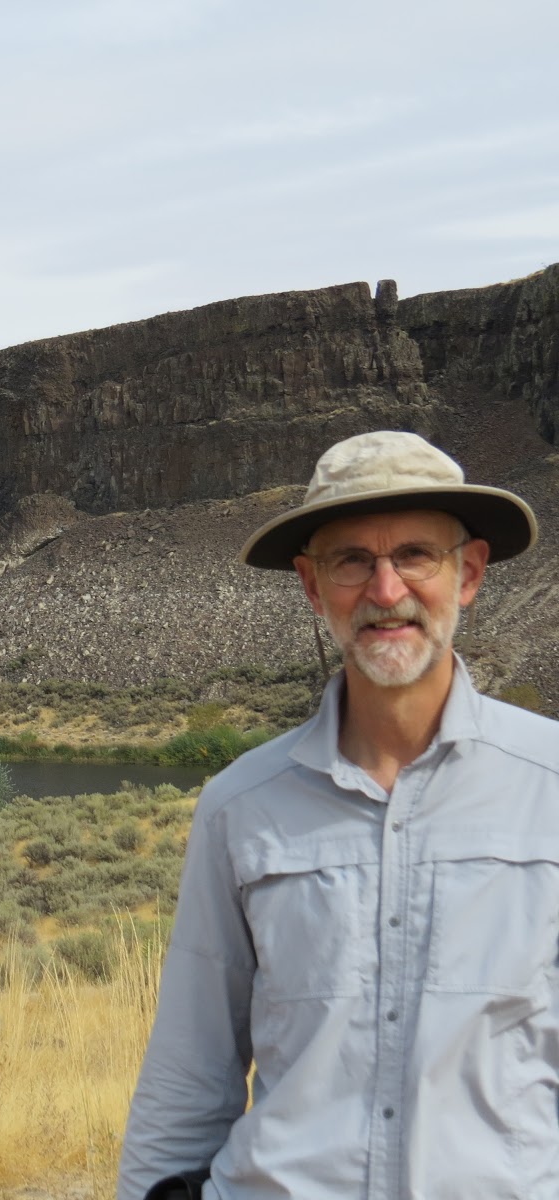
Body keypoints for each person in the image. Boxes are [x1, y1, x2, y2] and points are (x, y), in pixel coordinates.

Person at [117, 430, 559, 1200]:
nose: (385, 592)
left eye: (415, 554)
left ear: (470, 575)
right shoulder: (240, 806)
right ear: (313, 589)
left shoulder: (549, 786)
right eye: (352, 561)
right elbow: (190, 1072)